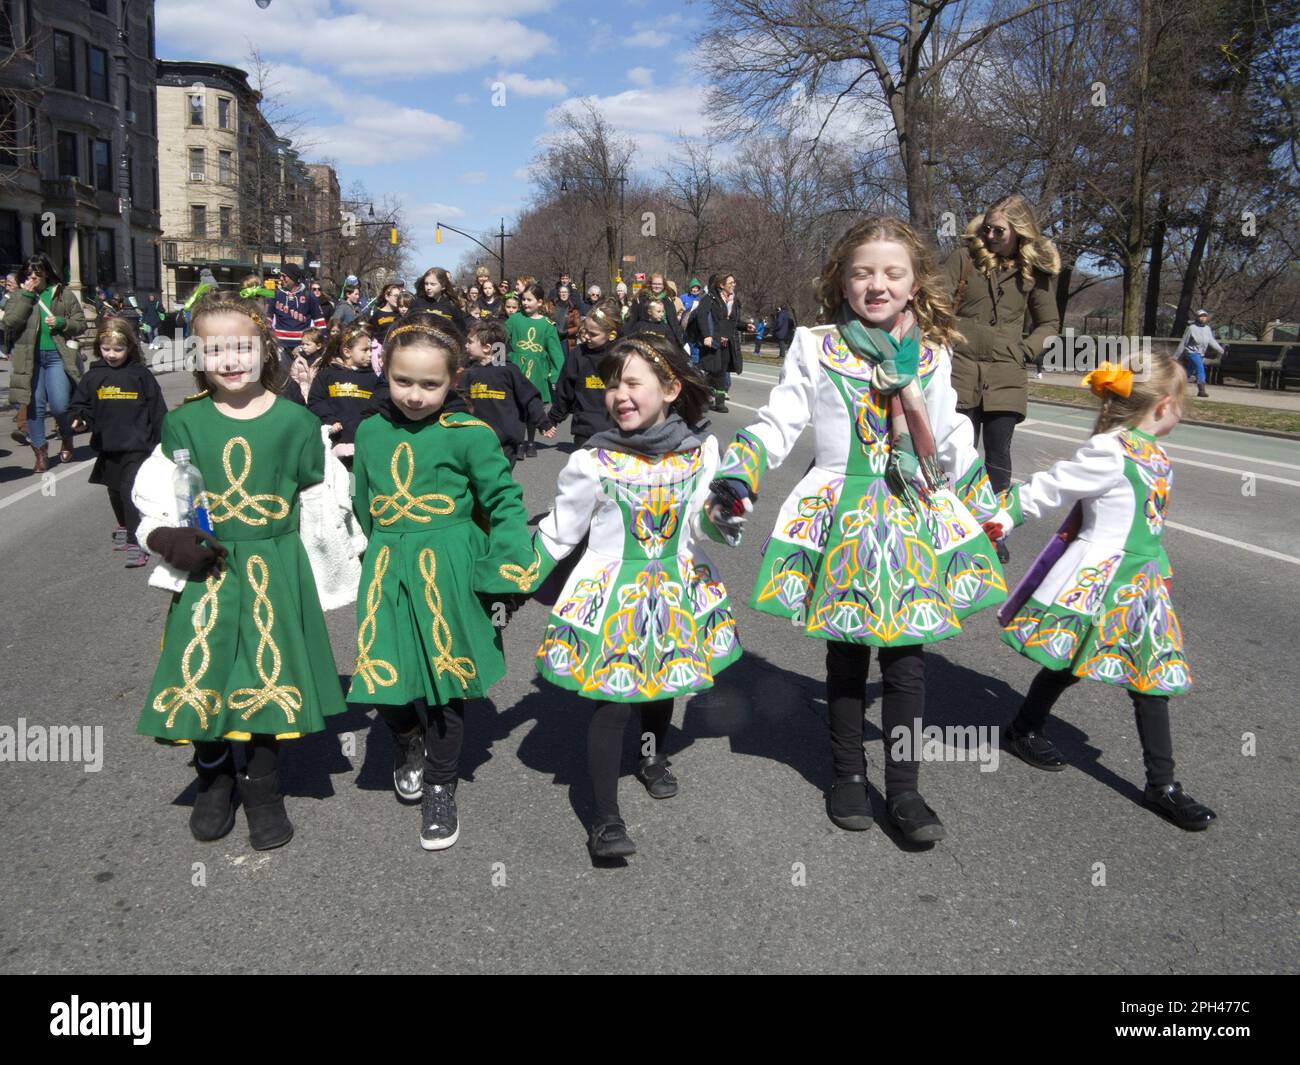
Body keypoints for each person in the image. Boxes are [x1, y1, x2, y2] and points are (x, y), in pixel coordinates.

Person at [706, 217, 1009, 843]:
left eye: (892, 273)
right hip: (840, 518)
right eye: (862, 272)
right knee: (846, 656)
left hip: (910, 513)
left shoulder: (931, 353)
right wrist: (742, 471)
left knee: (906, 661)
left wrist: (986, 507)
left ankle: (905, 789)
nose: (877, 284)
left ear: (914, 281)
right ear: (841, 281)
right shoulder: (816, 345)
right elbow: (781, 420)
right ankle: (846, 774)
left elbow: (950, 433)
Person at [130, 289, 359, 848]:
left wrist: (335, 568)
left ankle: (263, 786)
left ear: (264, 349)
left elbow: (323, 502)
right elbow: (156, 494)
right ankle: (213, 778)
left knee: (267, 671)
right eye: (214, 349)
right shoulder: (185, 425)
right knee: (204, 668)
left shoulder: (296, 423)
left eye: (241, 347)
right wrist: (164, 536)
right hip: (207, 567)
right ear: (198, 357)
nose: (229, 360)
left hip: (274, 565)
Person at [519, 333, 741, 858]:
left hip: (677, 586)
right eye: (611, 384)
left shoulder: (702, 450)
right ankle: (605, 819)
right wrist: (509, 577)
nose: (618, 394)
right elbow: (559, 533)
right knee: (613, 702)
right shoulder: (592, 461)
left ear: (669, 388)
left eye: (632, 383)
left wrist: (728, 510)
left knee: (662, 684)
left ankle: (650, 756)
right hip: (610, 595)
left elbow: (706, 528)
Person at [993, 355, 1215, 831]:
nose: (1182, 416)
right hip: (1099, 583)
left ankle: (1162, 785)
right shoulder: (1111, 450)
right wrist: (1001, 519)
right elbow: (1050, 487)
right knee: (1069, 663)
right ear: (1164, 407)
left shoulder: (1153, 452)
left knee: (1148, 679)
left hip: (1141, 585)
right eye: (1183, 408)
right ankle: (1023, 728)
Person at [346, 320, 532, 851]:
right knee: (387, 672)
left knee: (446, 683)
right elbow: (364, 504)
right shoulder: (370, 431)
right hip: (387, 565)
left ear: (454, 380)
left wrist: (504, 570)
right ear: (387, 373)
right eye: (404, 381)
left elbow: (503, 502)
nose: (415, 395)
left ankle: (441, 784)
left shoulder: (470, 435)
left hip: (450, 568)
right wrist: (384, 548)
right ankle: (407, 741)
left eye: (430, 384)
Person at [943, 194, 1061, 562]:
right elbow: (936, 302)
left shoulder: (1034, 272)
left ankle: (993, 529)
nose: (990, 235)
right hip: (959, 369)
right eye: (987, 228)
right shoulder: (964, 259)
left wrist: (1025, 351)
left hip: (1006, 375)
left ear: (1019, 233)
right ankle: (948, 526)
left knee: (998, 455)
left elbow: (1049, 323)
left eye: (999, 231)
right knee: (957, 454)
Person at [68, 317, 167, 568]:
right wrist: (80, 419)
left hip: (137, 445)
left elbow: (158, 410)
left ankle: (137, 543)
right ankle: (124, 525)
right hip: (108, 444)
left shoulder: (140, 375)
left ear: (130, 348)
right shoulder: (94, 376)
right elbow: (81, 405)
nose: (111, 354)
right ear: (98, 347)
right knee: (113, 489)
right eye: (106, 349)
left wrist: (165, 441)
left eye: (118, 349)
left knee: (129, 491)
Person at [2, 253, 87, 471]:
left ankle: (67, 438)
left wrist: (61, 322)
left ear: (46, 273)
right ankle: (40, 451)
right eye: (28, 272)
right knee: (34, 408)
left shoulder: (62, 294)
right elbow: (10, 323)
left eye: (37, 272)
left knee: (59, 405)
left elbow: (80, 323)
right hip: (30, 359)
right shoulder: (19, 296)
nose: (32, 276)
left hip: (57, 357)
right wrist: (27, 297)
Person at [462, 318, 545, 468]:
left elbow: (529, 396)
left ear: (487, 348)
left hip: (506, 441)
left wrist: (542, 421)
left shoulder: (508, 371)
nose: (465, 345)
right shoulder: (468, 373)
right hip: (476, 440)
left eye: (469, 342)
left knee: (500, 480)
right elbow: (458, 400)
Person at [540, 298, 620, 449]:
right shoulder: (578, 354)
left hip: (616, 430)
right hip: (585, 428)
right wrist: (552, 418)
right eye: (586, 331)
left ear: (611, 335)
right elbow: (566, 389)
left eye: (593, 334)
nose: (587, 337)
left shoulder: (622, 357)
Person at [307, 322, 384, 467]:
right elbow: (315, 401)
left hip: (363, 442)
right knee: (338, 483)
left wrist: (367, 425)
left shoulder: (373, 378)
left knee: (356, 484)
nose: (370, 354)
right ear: (347, 352)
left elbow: (378, 406)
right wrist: (329, 419)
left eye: (370, 350)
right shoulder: (327, 375)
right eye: (364, 350)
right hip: (335, 441)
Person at [505, 283, 565, 456]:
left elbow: (556, 353)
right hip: (517, 369)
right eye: (523, 299)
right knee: (518, 408)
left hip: (538, 372)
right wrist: (498, 363)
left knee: (534, 407)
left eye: (529, 300)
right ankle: (519, 441)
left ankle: (531, 442)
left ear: (539, 302)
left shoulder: (547, 325)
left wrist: (555, 376)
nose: (525, 303)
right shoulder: (515, 319)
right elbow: (499, 339)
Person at [688, 271, 745, 412]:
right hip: (711, 341)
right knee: (711, 371)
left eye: (734, 282)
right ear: (721, 285)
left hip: (727, 343)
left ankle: (719, 403)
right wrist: (706, 335)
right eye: (731, 283)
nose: (734, 285)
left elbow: (732, 322)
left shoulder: (733, 301)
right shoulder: (710, 298)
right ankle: (699, 398)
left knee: (721, 371)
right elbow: (702, 316)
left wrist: (745, 326)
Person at [268, 263, 326, 369]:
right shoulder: (275, 294)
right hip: (281, 345)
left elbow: (320, 322)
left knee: (301, 376)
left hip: (303, 346)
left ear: (293, 277)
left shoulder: (309, 296)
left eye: (284, 276)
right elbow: (268, 319)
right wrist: (268, 338)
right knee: (282, 376)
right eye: (280, 275)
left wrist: (322, 343)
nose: (281, 278)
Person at [1172, 309, 1222, 398]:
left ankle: (1175, 386)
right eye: (1201, 316)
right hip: (1191, 352)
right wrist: (1175, 356)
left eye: (1205, 316)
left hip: (1200, 354)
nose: (1203, 318)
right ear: (1197, 317)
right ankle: (1201, 390)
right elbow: (1184, 342)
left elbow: (1211, 341)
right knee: (1200, 368)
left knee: (1189, 372)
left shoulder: (1207, 329)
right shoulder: (1191, 328)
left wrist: (1220, 350)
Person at [410, 267, 467, 334]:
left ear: (443, 286)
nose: (428, 287)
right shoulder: (417, 303)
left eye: (432, 284)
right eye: (426, 284)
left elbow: (461, 330)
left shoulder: (451, 305)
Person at [285, 327, 326, 404]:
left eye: (308, 344)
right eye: (303, 344)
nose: (304, 347)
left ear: (318, 346)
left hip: (319, 401)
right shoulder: (298, 362)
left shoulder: (323, 362)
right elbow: (294, 381)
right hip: (301, 400)